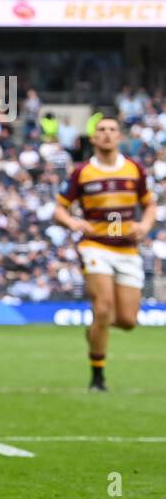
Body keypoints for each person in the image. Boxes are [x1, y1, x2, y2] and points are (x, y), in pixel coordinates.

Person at [53, 116, 156, 391]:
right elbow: (60, 209)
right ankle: (97, 378)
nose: (107, 134)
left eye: (112, 130)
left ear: (119, 136)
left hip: (127, 249)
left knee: (127, 321)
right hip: (95, 245)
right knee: (103, 307)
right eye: (101, 130)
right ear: (94, 138)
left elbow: (150, 205)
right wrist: (73, 222)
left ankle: (96, 330)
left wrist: (145, 225)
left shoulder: (135, 170)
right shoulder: (82, 172)